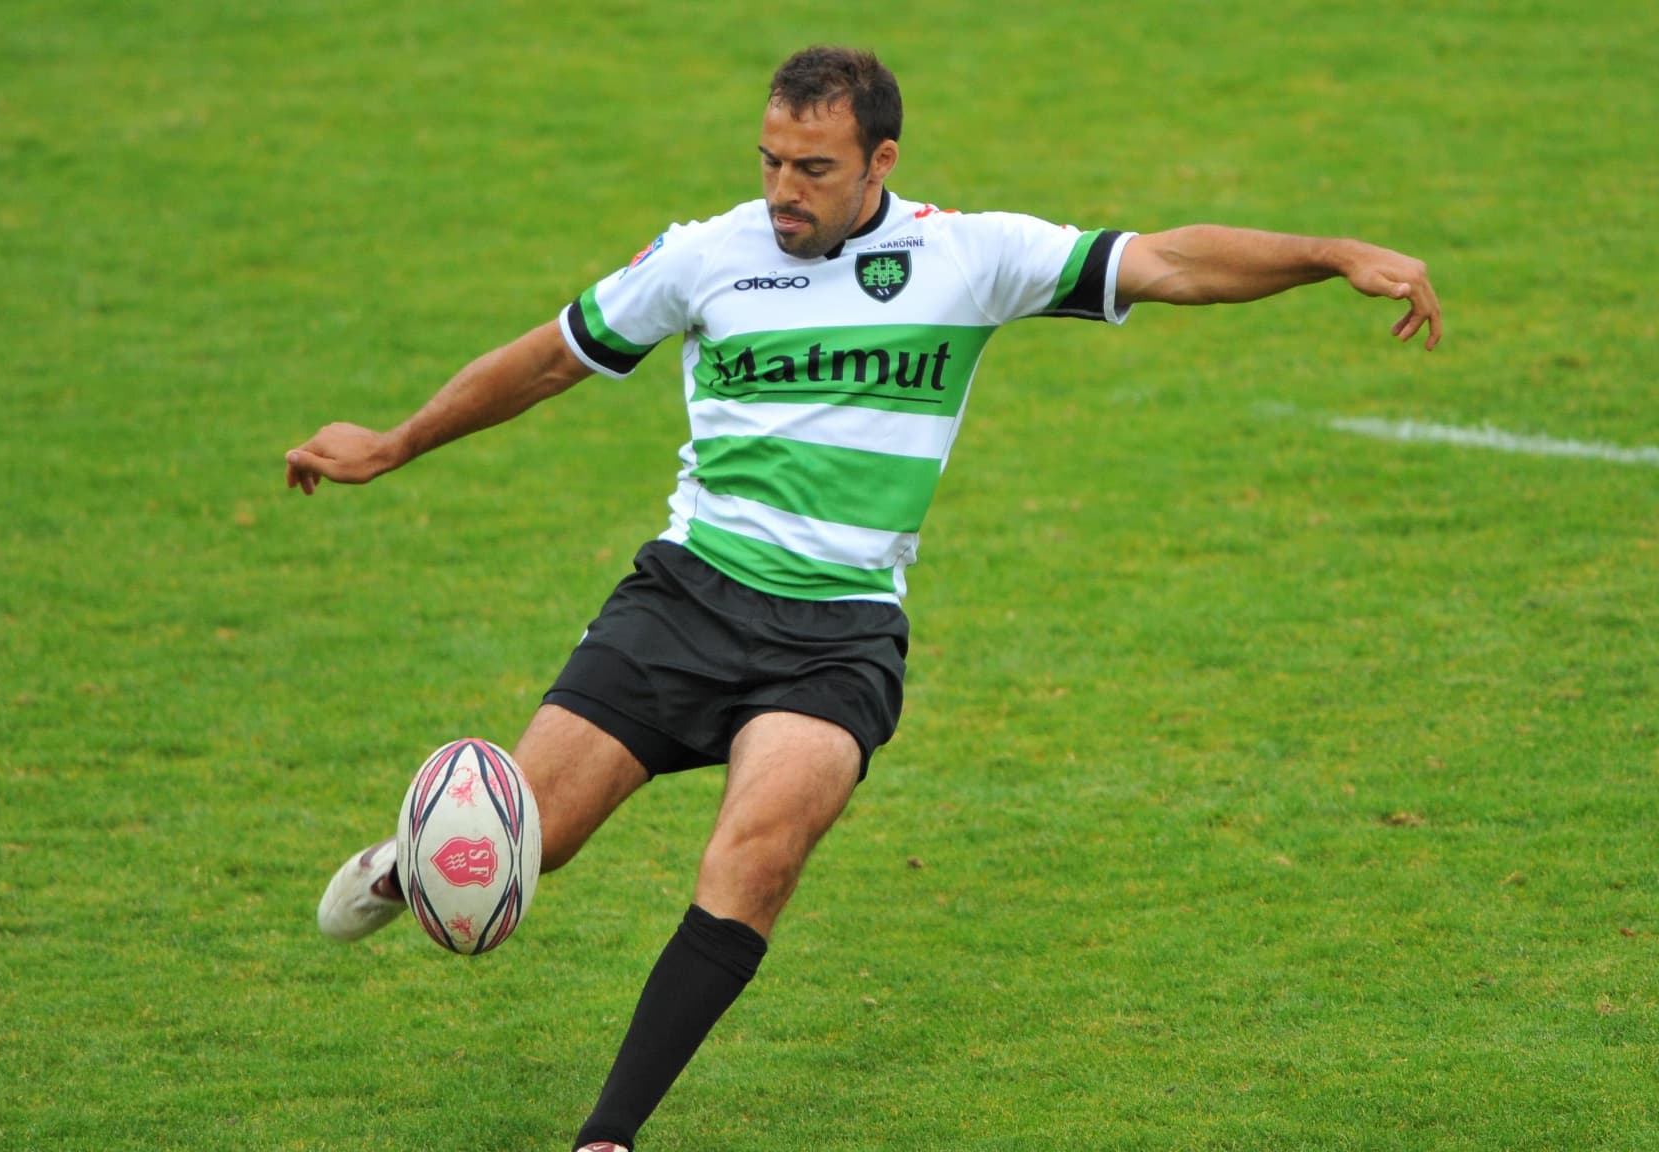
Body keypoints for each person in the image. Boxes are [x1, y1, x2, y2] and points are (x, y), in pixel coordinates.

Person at [288, 45, 1442, 1152]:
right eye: (769, 162)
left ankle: (606, 1135)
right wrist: (394, 445)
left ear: (880, 162)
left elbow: (1170, 261)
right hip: (684, 601)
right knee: (533, 850)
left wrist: (1328, 252)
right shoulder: (704, 256)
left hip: (835, 638)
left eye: (814, 169)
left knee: (757, 857)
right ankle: (418, 860)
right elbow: (552, 357)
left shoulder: (968, 256)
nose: (783, 193)